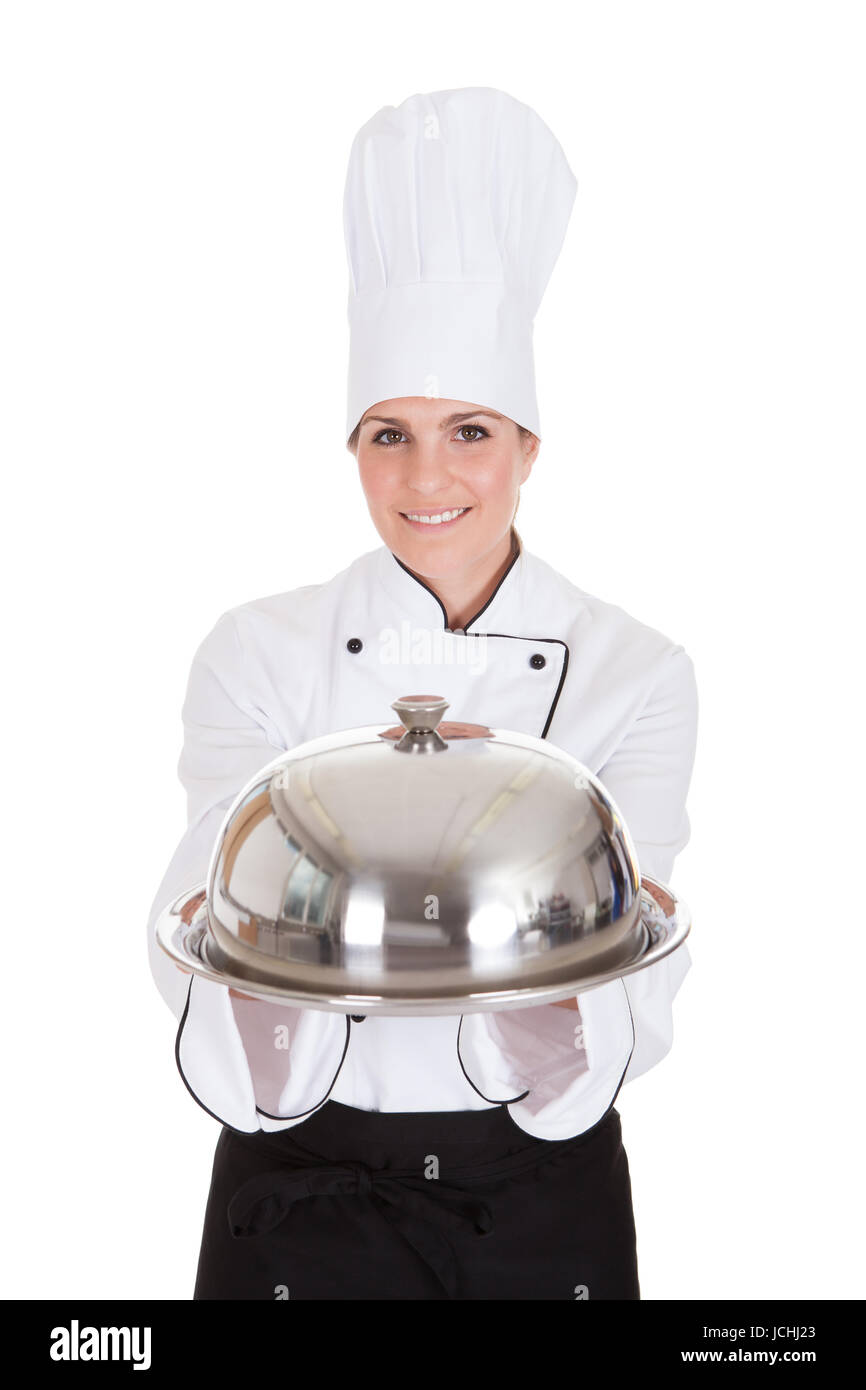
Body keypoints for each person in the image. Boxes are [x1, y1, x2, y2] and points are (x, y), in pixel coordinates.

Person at [147, 86, 698, 1301]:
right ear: (351, 447)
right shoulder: (256, 650)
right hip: (300, 1184)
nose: (428, 476)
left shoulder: (634, 670)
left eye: (469, 431)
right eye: (388, 434)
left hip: (537, 1198)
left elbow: (617, 1014)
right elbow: (216, 942)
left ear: (527, 447)